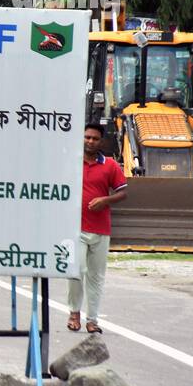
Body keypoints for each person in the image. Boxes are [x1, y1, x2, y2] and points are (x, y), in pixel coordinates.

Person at [68, 124, 128, 334]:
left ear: (101, 142)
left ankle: (92, 320)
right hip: (76, 228)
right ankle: (74, 313)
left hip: (101, 229)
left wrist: (105, 200)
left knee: (96, 276)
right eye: (87, 137)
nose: (90, 141)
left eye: (94, 138)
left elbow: (122, 192)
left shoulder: (110, 165)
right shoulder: (71, 161)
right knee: (77, 271)